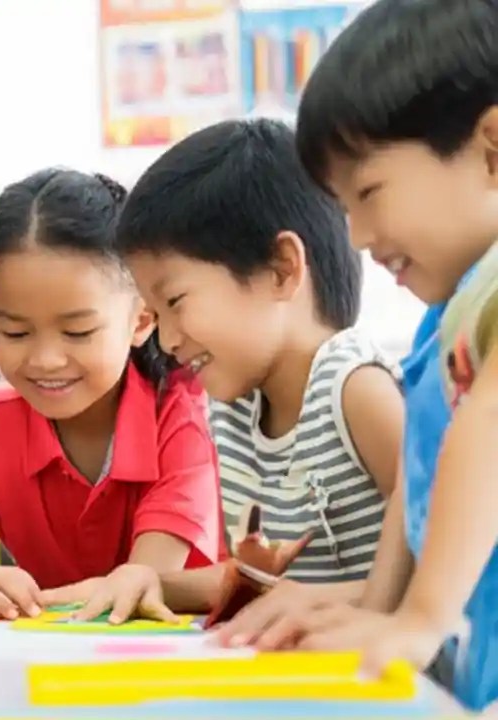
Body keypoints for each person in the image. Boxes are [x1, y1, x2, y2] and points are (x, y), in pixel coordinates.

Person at [52, 118, 403, 627]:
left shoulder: (357, 389)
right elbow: (261, 584)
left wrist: (333, 602)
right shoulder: (235, 411)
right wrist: (152, 582)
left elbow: (454, 557)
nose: (167, 340)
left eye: (175, 301)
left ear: (282, 269)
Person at [249, 0, 498, 711]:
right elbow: (424, 476)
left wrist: (419, 619)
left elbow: (489, 428)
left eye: (369, 192)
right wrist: (386, 610)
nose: (355, 234)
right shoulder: (447, 317)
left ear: (492, 149)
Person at [0, 168, 222, 621]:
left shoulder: (182, 417)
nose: (46, 359)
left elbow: (141, 584)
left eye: (77, 331)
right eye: (15, 331)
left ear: (142, 320)